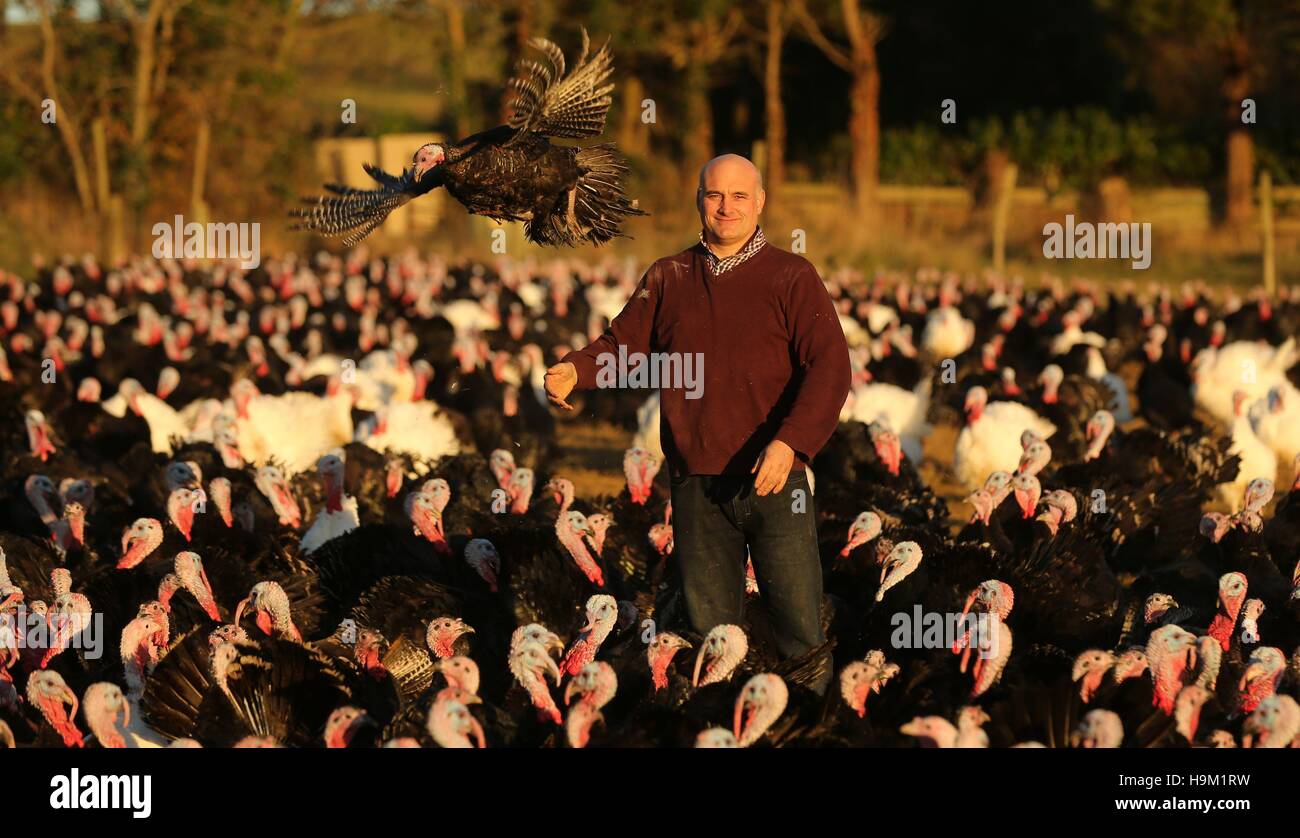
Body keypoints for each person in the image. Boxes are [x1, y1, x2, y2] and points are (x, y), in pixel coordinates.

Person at [545, 153, 850, 694]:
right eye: (714, 195)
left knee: (799, 632)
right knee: (714, 638)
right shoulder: (669, 276)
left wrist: (791, 443)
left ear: (759, 203)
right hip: (696, 484)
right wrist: (576, 369)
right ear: (699, 202)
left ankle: (812, 729)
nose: (725, 206)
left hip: (776, 479)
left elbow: (830, 367)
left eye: (738, 196)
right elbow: (625, 346)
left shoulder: (792, 276)